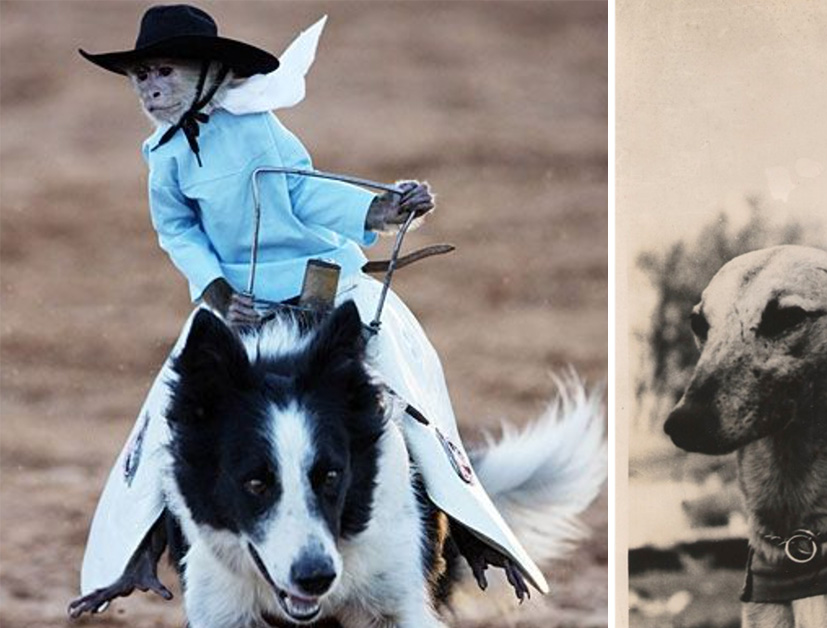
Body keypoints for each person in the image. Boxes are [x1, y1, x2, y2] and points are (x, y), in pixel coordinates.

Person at [74, 3, 546, 611]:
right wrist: (214, 292)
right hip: (235, 299)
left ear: (210, 73)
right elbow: (178, 232)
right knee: (165, 412)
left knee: (404, 388)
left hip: (323, 285)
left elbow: (305, 190)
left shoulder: (260, 128)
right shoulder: (161, 154)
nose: (151, 87)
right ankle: (130, 553)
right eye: (142, 76)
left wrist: (375, 212)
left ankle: (476, 526)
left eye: (165, 71)